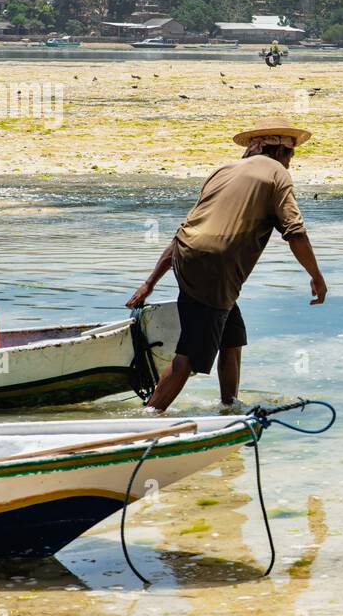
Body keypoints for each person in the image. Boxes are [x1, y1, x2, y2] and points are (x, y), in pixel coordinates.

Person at [125, 117, 327, 411]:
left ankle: (229, 405)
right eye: (292, 154)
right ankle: (147, 421)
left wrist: (149, 283)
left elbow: (185, 229)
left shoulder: (222, 171)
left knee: (232, 338)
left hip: (186, 258)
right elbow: (295, 232)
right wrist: (316, 276)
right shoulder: (278, 175)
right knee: (190, 356)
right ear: (282, 152)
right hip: (215, 268)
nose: (291, 161)